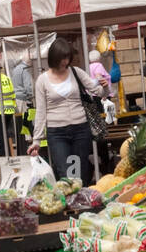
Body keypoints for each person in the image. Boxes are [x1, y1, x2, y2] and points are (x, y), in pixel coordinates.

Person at [27, 38, 109, 185]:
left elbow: (99, 91)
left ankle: (79, 204)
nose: (65, 62)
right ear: (53, 57)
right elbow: (41, 111)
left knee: (80, 172)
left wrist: (105, 87)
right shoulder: (42, 80)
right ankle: (71, 204)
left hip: (80, 129)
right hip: (56, 132)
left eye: (67, 58)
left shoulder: (76, 72)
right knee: (65, 173)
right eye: (61, 58)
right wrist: (37, 140)